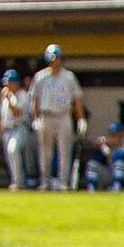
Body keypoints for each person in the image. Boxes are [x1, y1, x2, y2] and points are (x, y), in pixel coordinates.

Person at [30, 43, 82, 191]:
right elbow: (35, 99)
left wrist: (81, 119)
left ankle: (63, 182)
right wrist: (35, 119)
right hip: (46, 116)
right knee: (45, 152)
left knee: (64, 151)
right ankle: (45, 181)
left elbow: (77, 99)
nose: (56, 62)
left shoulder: (69, 77)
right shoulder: (40, 77)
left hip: (63, 115)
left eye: (59, 59)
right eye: (54, 59)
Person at [0, 68, 32, 190]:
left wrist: (7, 97)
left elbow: (17, 112)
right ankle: (15, 180)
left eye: (9, 82)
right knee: (9, 156)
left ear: (16, 83)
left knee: (13, 150)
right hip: (8, 130)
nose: (7, 85)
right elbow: (4, 115)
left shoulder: (22, 95)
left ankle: (19, 182)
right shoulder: (7, 96)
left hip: (20, 128)